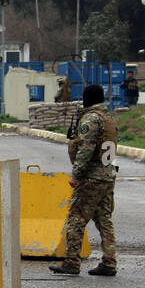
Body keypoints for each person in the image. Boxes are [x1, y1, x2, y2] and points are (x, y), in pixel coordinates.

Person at [51, 84, 117, 277]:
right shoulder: (109, 118)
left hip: (92, 177)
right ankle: (109, 261)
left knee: (76, 217)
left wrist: (76, 175)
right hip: (108, 174)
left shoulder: (91, 119)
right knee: (104, 219)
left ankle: (72, 261)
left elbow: (86, 149)